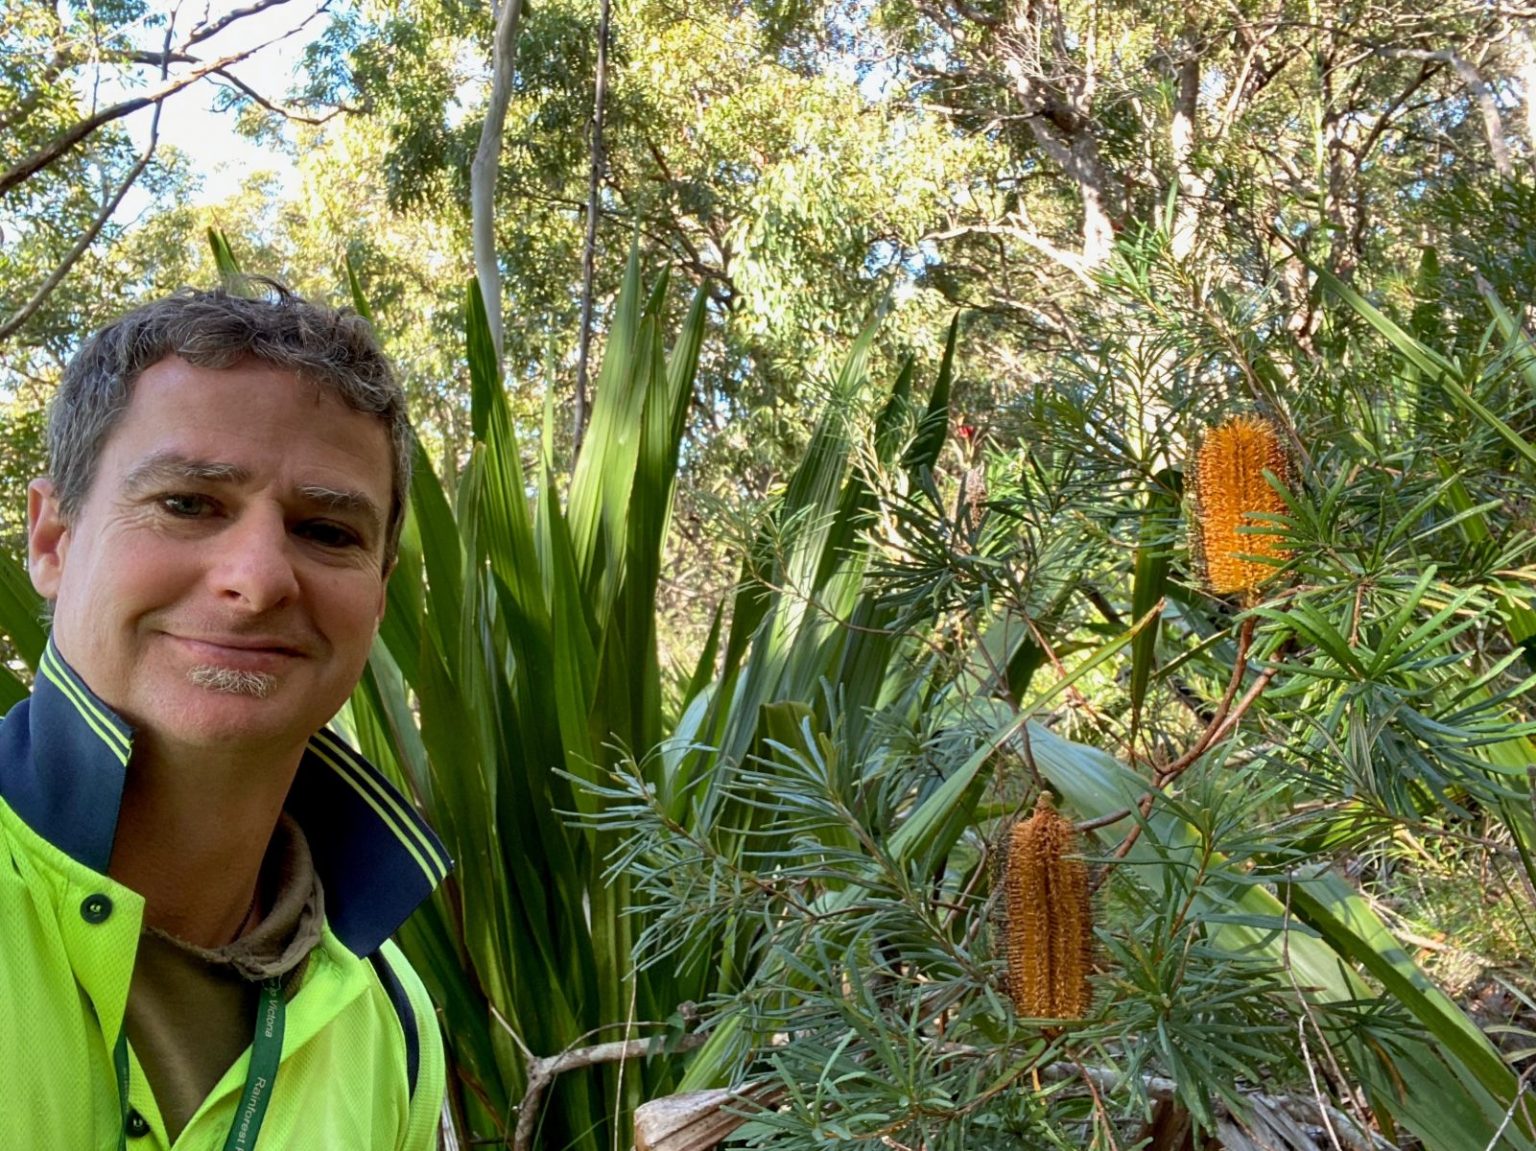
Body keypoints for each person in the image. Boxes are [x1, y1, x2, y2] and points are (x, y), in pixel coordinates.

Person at [0, 283, 453, 1148]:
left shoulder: (388, 1022)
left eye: (326, 531)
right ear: (53, 538)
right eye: (188, 503)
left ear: (379, 597)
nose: (257, 580)